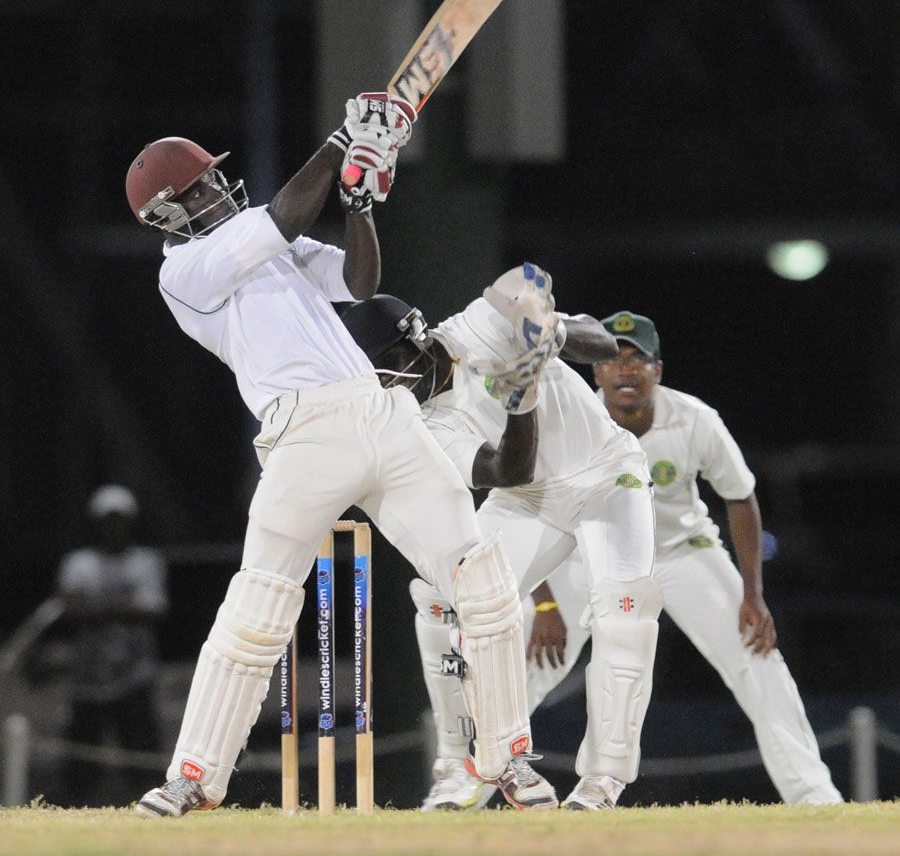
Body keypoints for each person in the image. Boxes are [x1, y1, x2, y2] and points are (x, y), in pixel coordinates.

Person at [123, 96, 556, 816]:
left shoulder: (268, 239)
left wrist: (358, 203)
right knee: (259, 607)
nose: (216, 189)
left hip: (380, 409)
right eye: (196, 188)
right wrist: (340, 143)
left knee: (481, 579)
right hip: (301, 434)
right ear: (165, 216)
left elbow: (359, 284)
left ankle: (508, 760)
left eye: (212, 177)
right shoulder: (187, 271)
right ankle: (193, 775)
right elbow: (283, 217)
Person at [340, 277, 662, 811]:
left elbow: (603, 342)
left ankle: (603, 781)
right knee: (443, 601)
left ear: (410, 342)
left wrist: (550, 330)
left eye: (384, 369)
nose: (385, 387)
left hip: (608, 476)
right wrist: (522, 399)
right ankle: (458, 766)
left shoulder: (482, 325)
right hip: (527, 497)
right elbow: (508, 471)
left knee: (624, 614)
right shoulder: (424, 423)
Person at [522, 311, 843, 805]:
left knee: (757, 656)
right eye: (613, 358)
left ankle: (815, 797)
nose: (626, 368)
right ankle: (468, 782)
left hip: (680, 552)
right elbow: (526, 509)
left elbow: (740, 496)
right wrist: (543, 603)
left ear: (658, 370)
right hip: (590, 556)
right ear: (596, 372)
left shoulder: (694, 419)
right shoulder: (568, 421)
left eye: (639, 358)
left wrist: (752, 594)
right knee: (527, 659)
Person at [54, 485, 168, 806]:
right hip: (87, 679)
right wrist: (120, 609)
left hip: (135, 677)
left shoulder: (146, 561)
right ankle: (74, 809)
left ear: (130, 522)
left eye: (120, 520)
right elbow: (68, 607)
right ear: (97, 523)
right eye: (107, 520)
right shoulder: (79, 562)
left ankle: (151, 808)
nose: (114, 527)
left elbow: (152, 610)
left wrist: (96, 608)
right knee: (80, 761)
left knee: (141, 757)